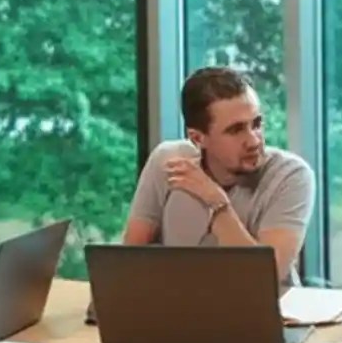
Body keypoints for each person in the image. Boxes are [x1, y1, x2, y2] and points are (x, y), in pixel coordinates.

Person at [122, 67, 315, 284]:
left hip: (263, 313)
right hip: (180, 309)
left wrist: (216, 203)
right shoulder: (168, 162)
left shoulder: (291, 176)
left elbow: (264, 279)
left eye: (257, 124)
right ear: (197, 138)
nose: (253, 141)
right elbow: (128, 263)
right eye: (236, 130)